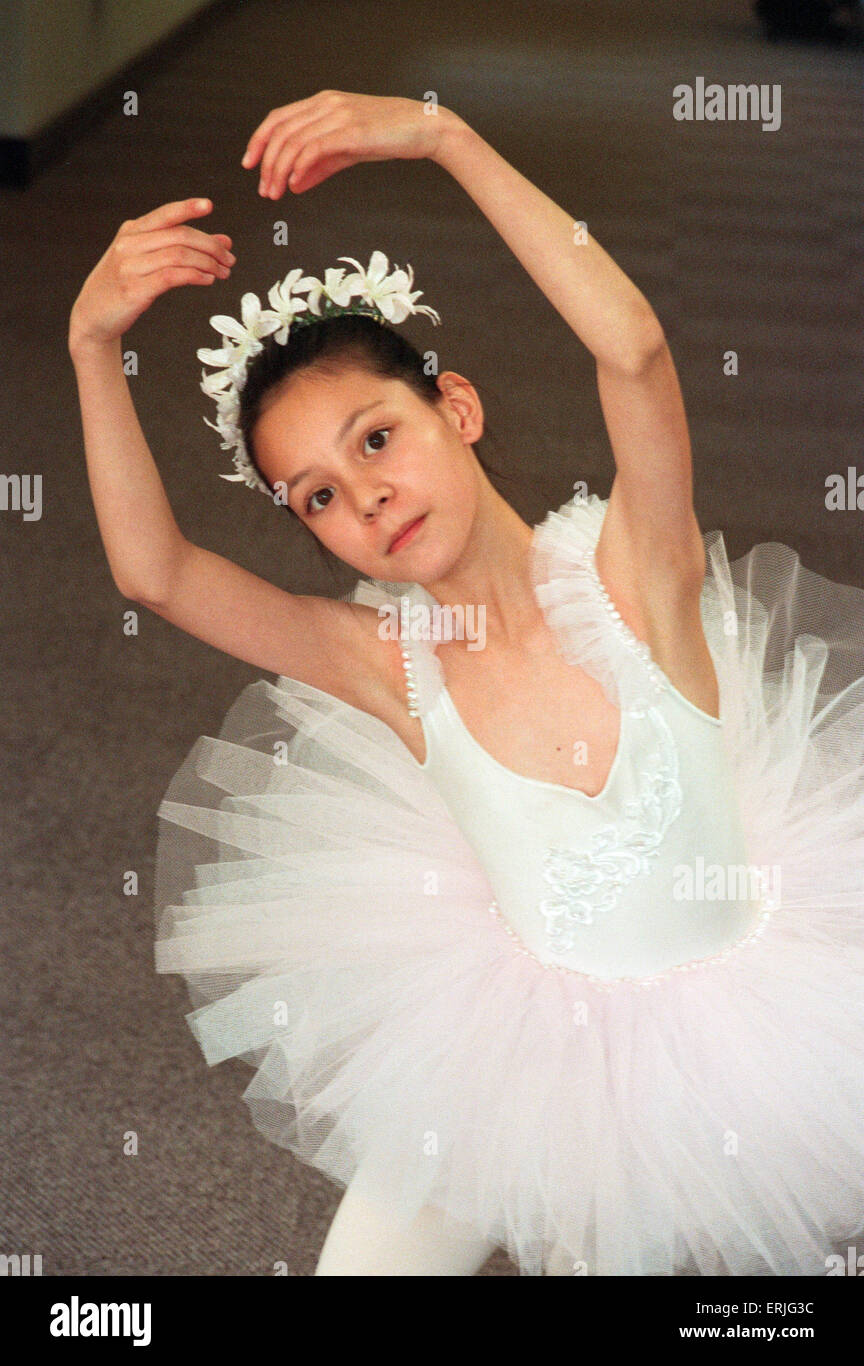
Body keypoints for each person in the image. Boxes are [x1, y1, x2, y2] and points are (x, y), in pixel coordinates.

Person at [68, 91, 864, 1277]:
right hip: (517, 1053)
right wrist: (91, 342)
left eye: (377, 438)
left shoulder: (638, 570)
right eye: (319, 496)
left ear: (459, 407)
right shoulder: (387, 665)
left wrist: (446, 138)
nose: (365, 497)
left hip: (748, 1040)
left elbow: (632, 344)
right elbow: (159, 572)